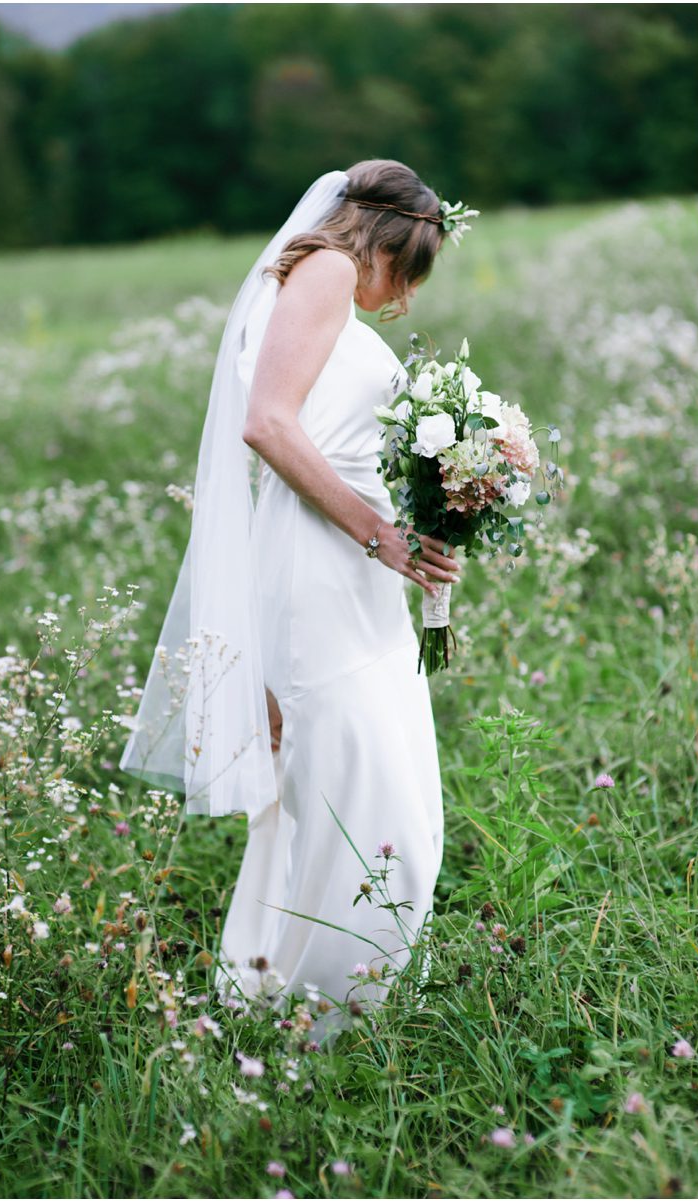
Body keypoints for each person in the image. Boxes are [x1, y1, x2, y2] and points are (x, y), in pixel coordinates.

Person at [120, 160, 470, 1040]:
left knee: (359, 791)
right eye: (408, 272)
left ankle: (285, 991)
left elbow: (332, 434)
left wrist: (448, 499)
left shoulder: (321, 284)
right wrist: (379, 533)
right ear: (385, 243)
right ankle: (324, 1014)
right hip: (322, 569)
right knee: (362, 791)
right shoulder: (322, 271)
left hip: (356, 576)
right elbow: (268, 423)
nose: (400, 299)